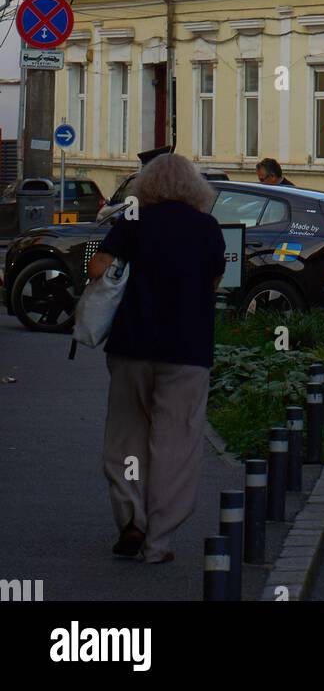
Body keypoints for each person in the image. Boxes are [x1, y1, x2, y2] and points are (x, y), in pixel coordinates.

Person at [88, 153, 226, 564]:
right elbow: (215, 280)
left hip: (132, 345)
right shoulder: (207, 228)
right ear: (194, 187)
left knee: (126, 437)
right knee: (176, 443)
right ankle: (159, 540)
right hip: (187, 350)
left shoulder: (133, 221)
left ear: (145, 186)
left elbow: (98, 267)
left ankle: (132, 518)